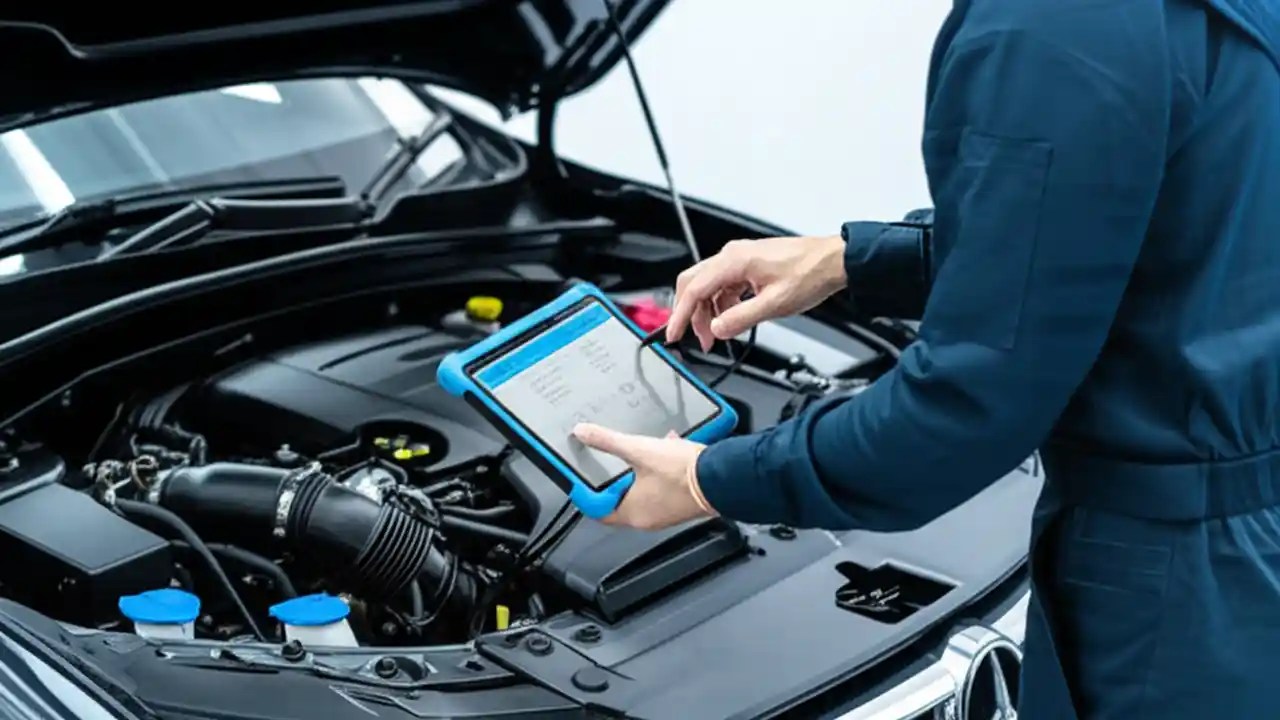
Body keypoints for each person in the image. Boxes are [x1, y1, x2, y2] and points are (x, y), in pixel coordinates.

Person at [570, 1, 1280, 718]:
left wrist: (706, 480)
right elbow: (1134, 222)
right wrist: (853, 260)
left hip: (1169, 600)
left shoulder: (1047, 29)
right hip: (1237, 557)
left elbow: (958, 414)